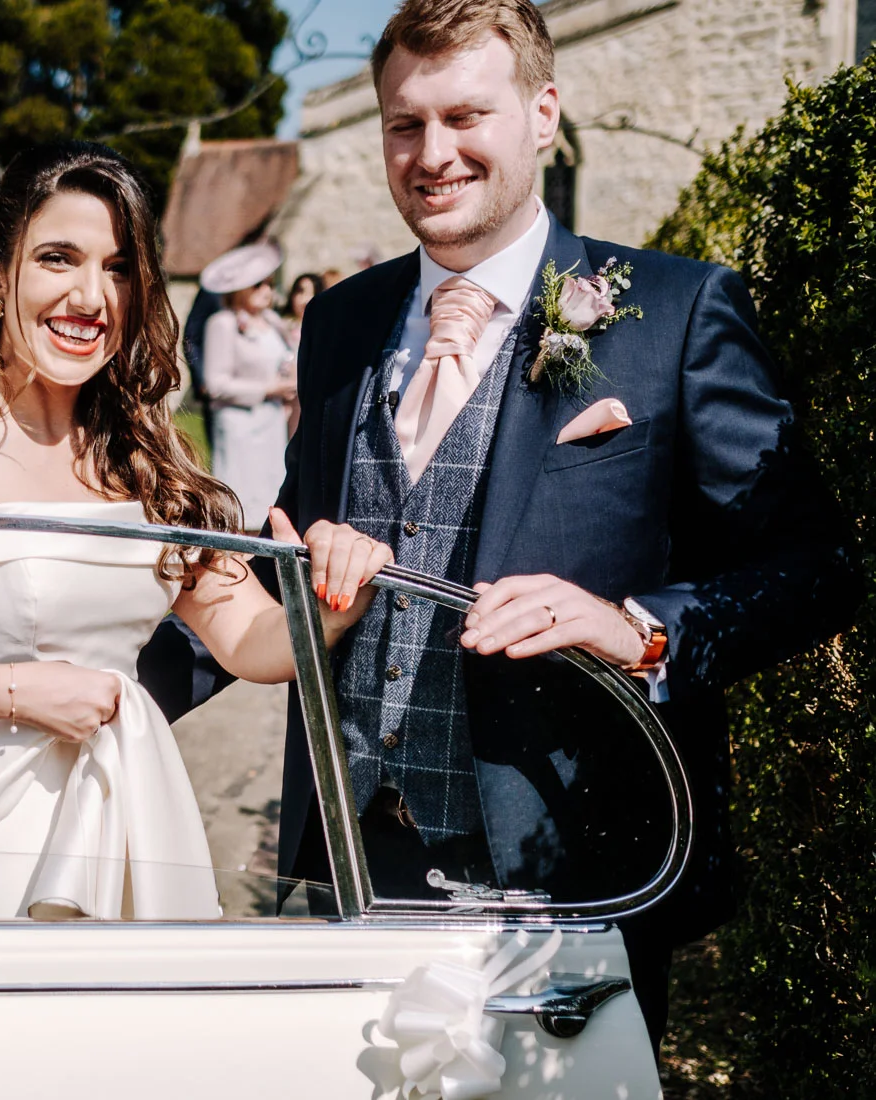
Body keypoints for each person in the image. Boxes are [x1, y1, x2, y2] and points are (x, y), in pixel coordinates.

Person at [256, 0, 853, 1050]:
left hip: (569, 856)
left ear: (543, 112)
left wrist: (641, 627)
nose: (431, 154)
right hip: (356, 848)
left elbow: (816, 565)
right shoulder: (343, 320)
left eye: (464, 117)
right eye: (404, 124)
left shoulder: (670, 312)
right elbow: (298, 558)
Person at [0, 142, 383, 922]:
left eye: (119, 268)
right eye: (59, 258)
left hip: (134, 835)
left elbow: (249, 639)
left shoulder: (146, 453)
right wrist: (14, 692)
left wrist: (336, 592)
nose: (92, 296)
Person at [200, 243, 297, 530]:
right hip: (240, 425)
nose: (267, 290)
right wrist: (269, 389)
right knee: (242, 504)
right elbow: (215, 383)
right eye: (258, 285)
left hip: (272, 424)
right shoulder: (223, 323)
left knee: (272, 501)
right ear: (240, 289)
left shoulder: (272, 321)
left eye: (269, 283)